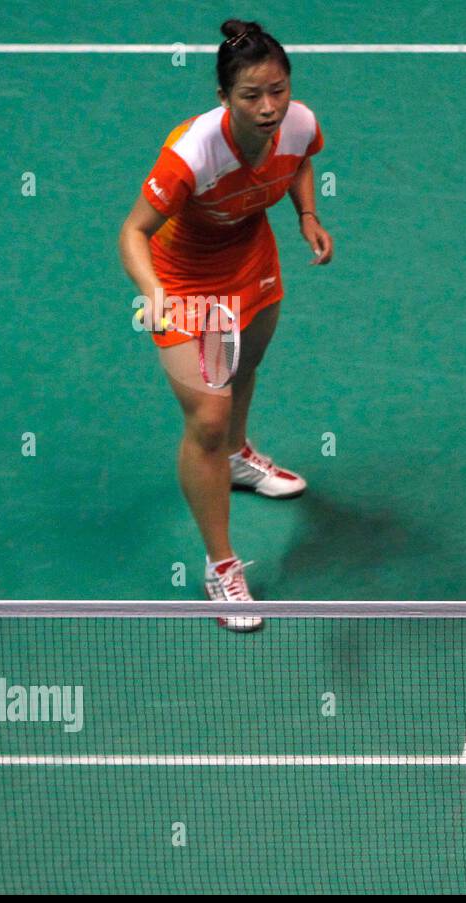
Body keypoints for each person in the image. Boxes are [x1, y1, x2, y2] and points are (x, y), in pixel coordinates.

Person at [118, 19, 333, 631]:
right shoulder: (193, 152)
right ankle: (221, 567)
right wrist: (155, 294)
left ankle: (240, 459)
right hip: (186, 286)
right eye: (251, 96)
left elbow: (298, 163)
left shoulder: (300, 122)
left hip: (252, 263)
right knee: (206, 420)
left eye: (278, 91)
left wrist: (307, 215)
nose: (269, 108)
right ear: (223, 98)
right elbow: (132, 232)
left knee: (247, 368)